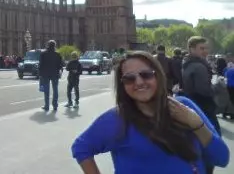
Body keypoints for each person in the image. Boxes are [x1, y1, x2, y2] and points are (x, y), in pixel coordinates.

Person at [71, 51, 229, 174]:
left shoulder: (185, 107)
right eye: (129, 78)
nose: (139, 82)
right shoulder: (117, 119)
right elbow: (81, 148)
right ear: (123, 85)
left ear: (158, 76)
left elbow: (222, 159)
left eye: (146, 74)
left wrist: (197, 124)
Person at [38, 40, 63, 112]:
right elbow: (61, 65)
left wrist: (40, 74)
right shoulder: (58, 54)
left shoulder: (43, 54)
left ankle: (47, 106)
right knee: (55, 90)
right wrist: (59, 72)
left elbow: (41, 65)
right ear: (55, 46)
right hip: (55, 74)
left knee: (46, 91)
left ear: (48, 45)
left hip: (45, 74)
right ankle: (55, 106)